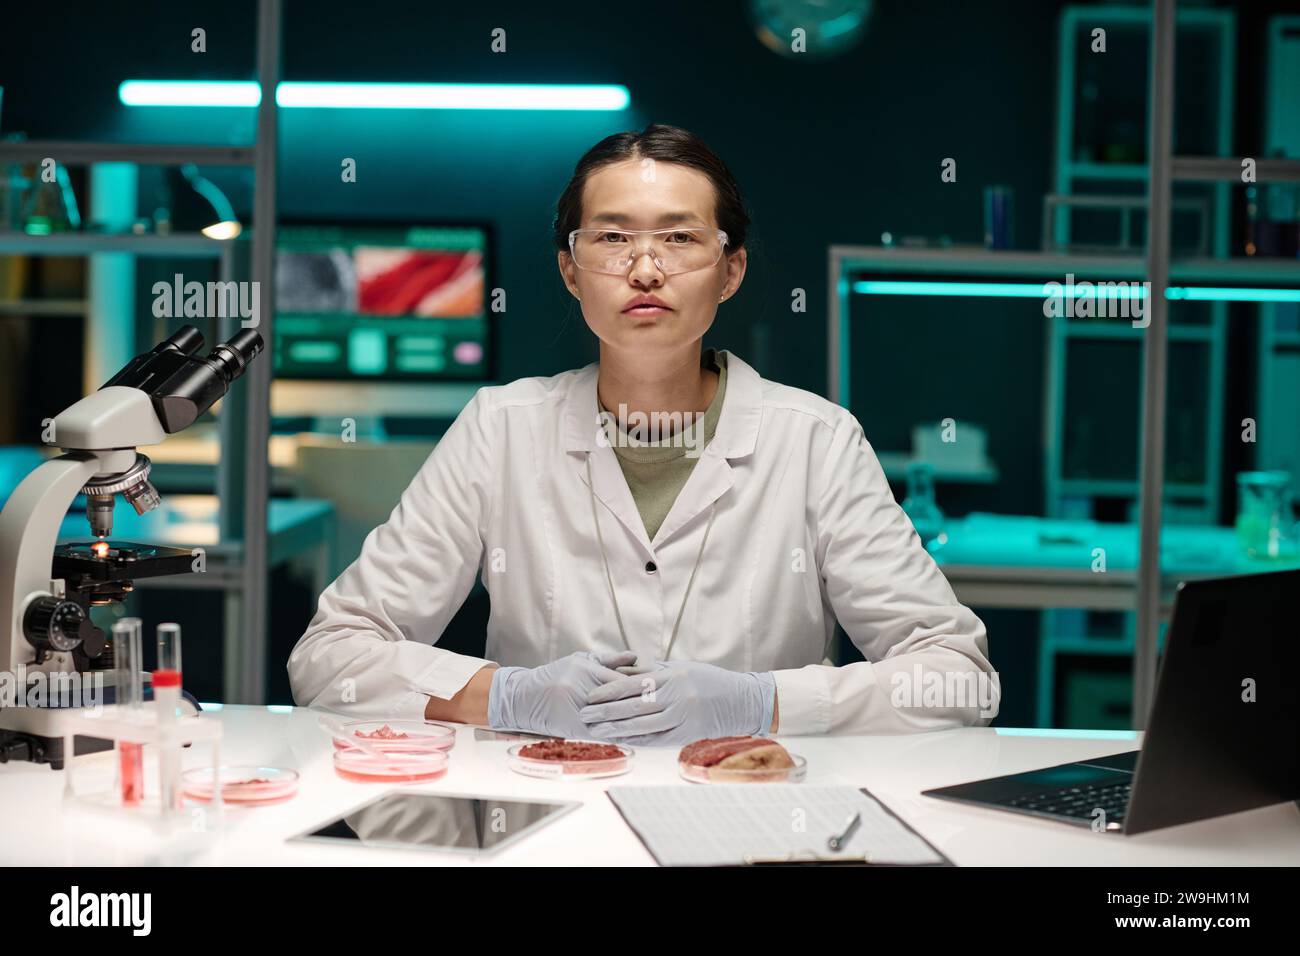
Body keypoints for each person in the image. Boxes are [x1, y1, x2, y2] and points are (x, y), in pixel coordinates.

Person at [288, 123, 998, 744]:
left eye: (681, 238)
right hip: (544, 820)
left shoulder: (815, 441)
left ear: (731, 271)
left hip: (757, 821)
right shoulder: (500, 431)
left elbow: (960, 681)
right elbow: (330, 660)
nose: (646, 269)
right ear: (571, 270)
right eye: (613, 238)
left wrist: (765, 704)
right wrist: (505, 697)